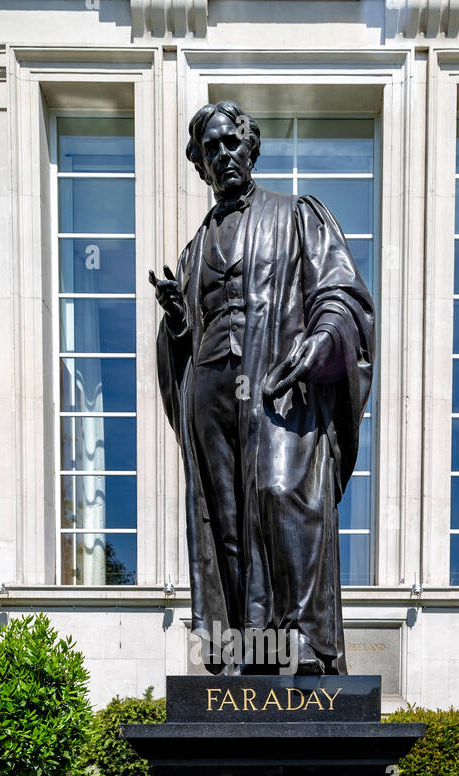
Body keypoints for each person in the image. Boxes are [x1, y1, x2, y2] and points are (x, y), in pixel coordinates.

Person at [151, 100, 374, 675]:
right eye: (210, 149)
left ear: (250, 148)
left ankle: (302, 638)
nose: (222, 155)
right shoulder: (196, 248)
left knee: (280, 493)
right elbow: (181, 337)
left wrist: (320, 342)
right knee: (223, 520)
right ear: (200, 165)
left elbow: (341, 296)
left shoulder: (296, 215)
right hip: (209, 392)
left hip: (277, 389)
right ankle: (240, 650)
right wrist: (178, 320)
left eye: (231, 143)